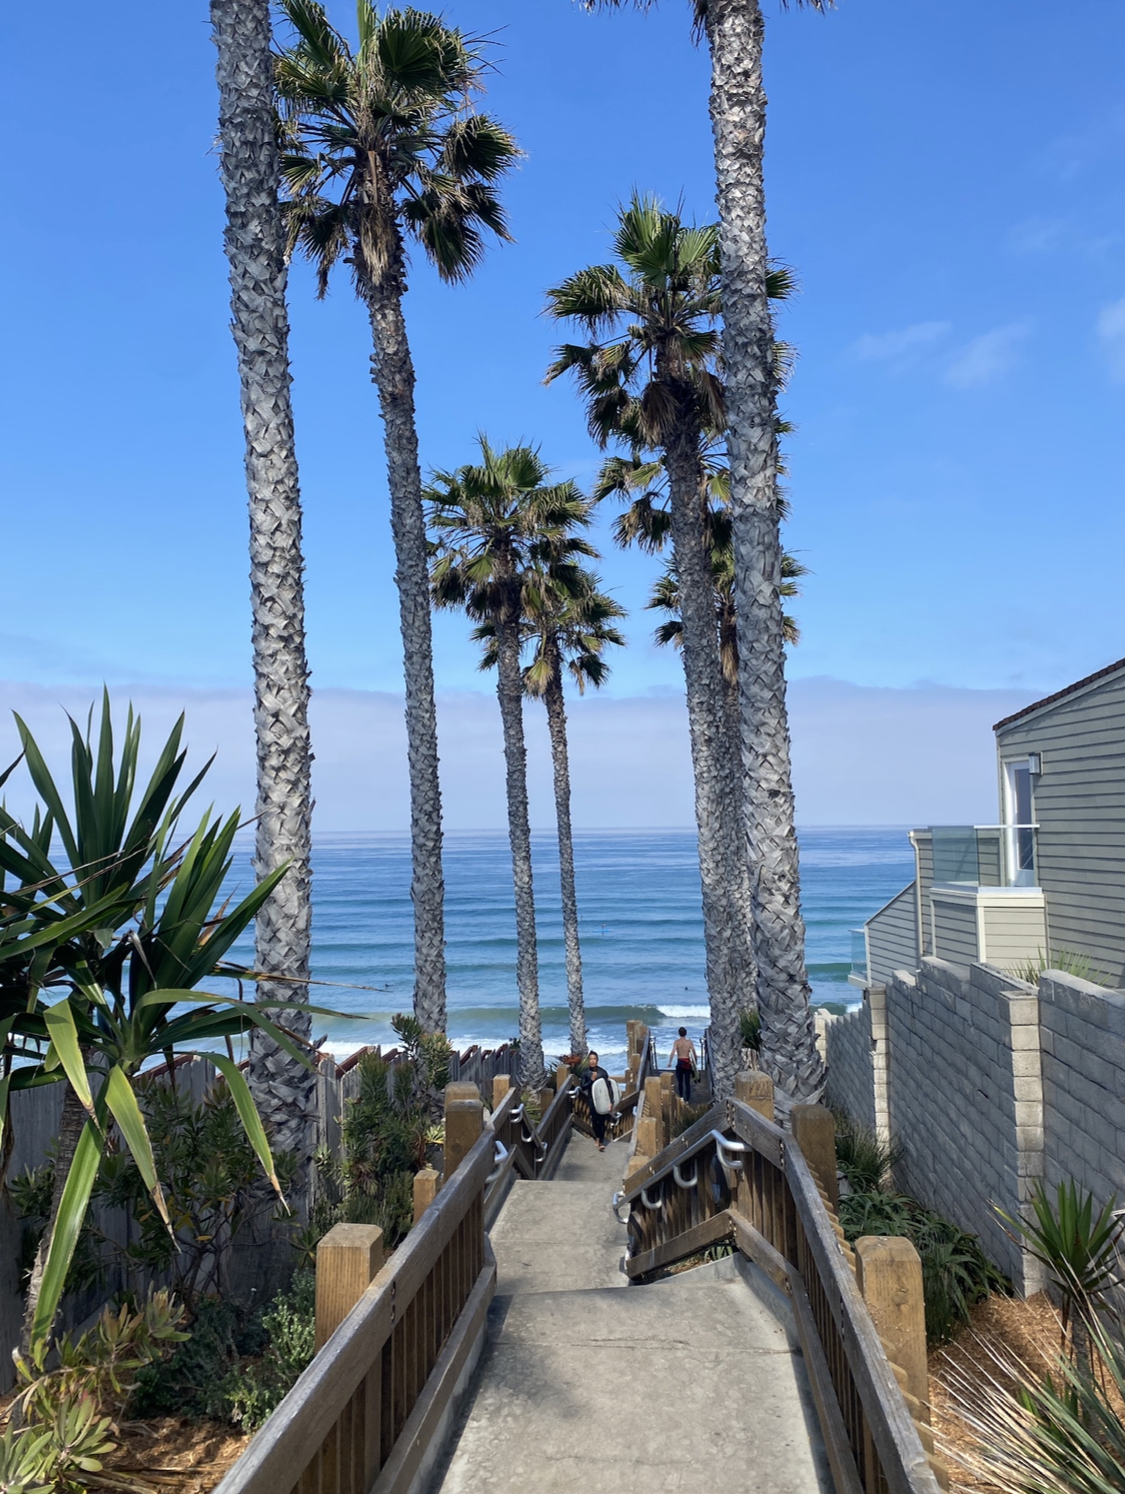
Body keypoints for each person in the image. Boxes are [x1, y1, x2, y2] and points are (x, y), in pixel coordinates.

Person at [579, 1050, 612, 1151]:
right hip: (592, 1099)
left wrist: (611, 1102)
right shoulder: (585, 1072)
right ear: (588, 1061)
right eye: (591, 1059)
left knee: (602, 1120)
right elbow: (583, 1087)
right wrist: (591, 1080)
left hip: (603, 1099)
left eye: (594, 1059)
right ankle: (597, 1138)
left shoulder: (603, 1073)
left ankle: (600, 1141)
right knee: (595, 1120)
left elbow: (609, 1088)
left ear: (597, 1060)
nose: (592, 1061)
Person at [669, 1027, 697, 1102]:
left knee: (680, 1082)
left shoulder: (677, 1042)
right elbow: (694, 1054)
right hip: (687, 1063)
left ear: (679, 1033)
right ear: (686, 1033)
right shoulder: (689, 1042)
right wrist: (695, 1064)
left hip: (680, 1062)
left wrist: (670, 1062)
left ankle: (681, 1097)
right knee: (687, 1082)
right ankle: (687, 1100)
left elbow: (673, 1052)